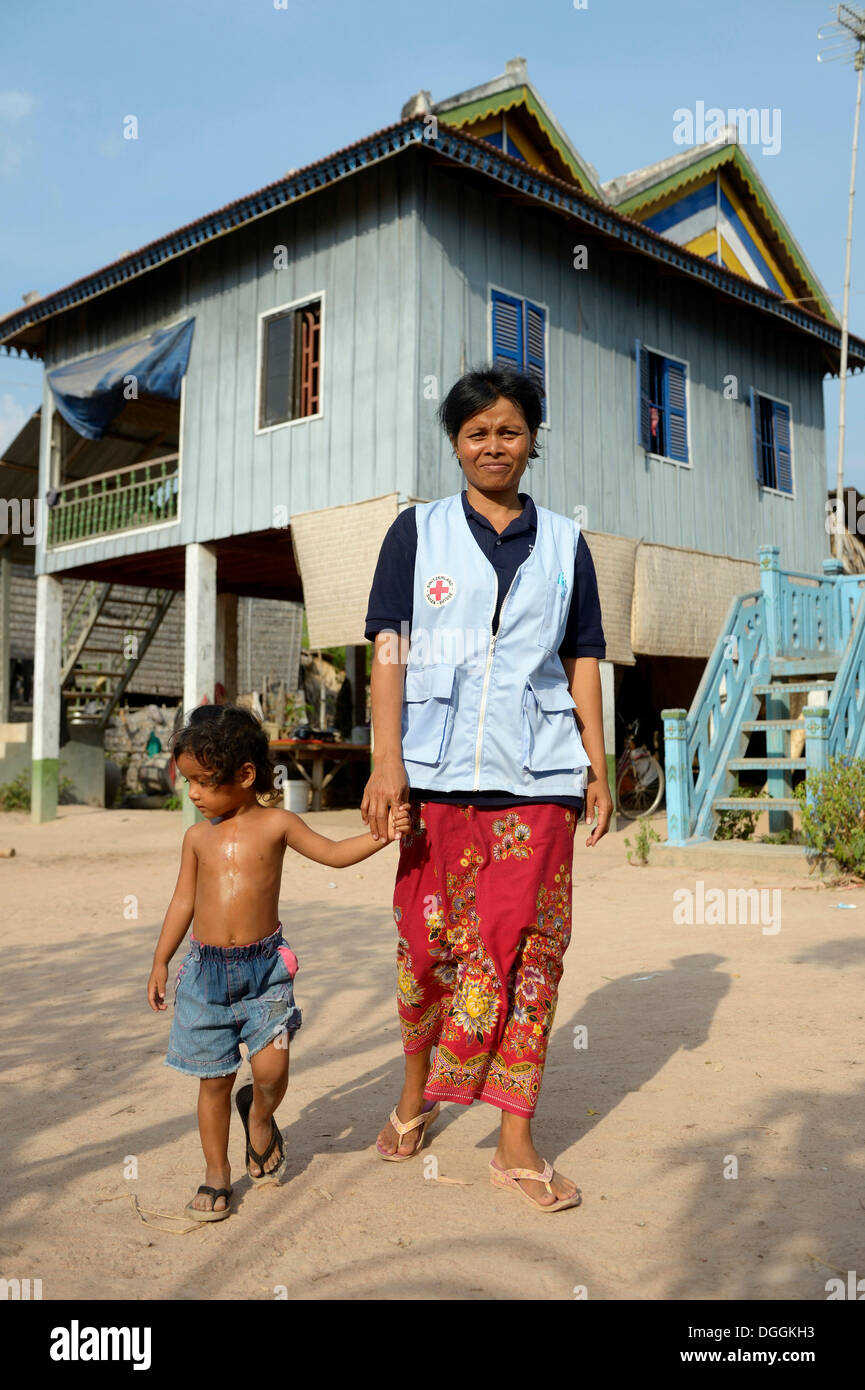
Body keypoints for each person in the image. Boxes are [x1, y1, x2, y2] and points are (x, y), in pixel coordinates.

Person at [362, 364, 613, 1211]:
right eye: (476, 432)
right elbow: (389, 645)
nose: (492, 445)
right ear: (455, 443)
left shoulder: (565, 544)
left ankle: (513, 1139)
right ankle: (413, 1096)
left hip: (538, 775)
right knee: (425, 949)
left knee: (527, 956)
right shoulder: (416, 532)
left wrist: (597, 766)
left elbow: (582, 658)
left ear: (532, 439)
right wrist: (384, 758)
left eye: (508, 430)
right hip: (433, 775)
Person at [147, 704, 410, 1221]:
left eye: (203, 782)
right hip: (205, 974)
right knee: (214, 1080)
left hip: (264, 971)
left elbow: (333, 853)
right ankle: (216, 1174)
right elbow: (182, 901)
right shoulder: (196, 838)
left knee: (272, 1069)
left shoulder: (276, 825)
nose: (194, 794)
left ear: (245, 775)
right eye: (189, 783)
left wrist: (384, 835)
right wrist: (161, 961)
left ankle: (261, 1117)